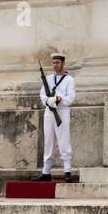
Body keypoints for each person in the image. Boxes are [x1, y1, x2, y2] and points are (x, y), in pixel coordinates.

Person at [34, 51, 76, 182]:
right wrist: (49, 101)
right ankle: (46, 172)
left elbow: (70, 99)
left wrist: (58, 99)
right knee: (49, 142)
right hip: (49, 112)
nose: (55, 65)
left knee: (64, 140)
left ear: (63, 63)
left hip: (62, 112)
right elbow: (42, 95)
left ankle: (67, 171)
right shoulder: (48, 79)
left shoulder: (69, 80)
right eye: (53, 63)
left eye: (57, 62)